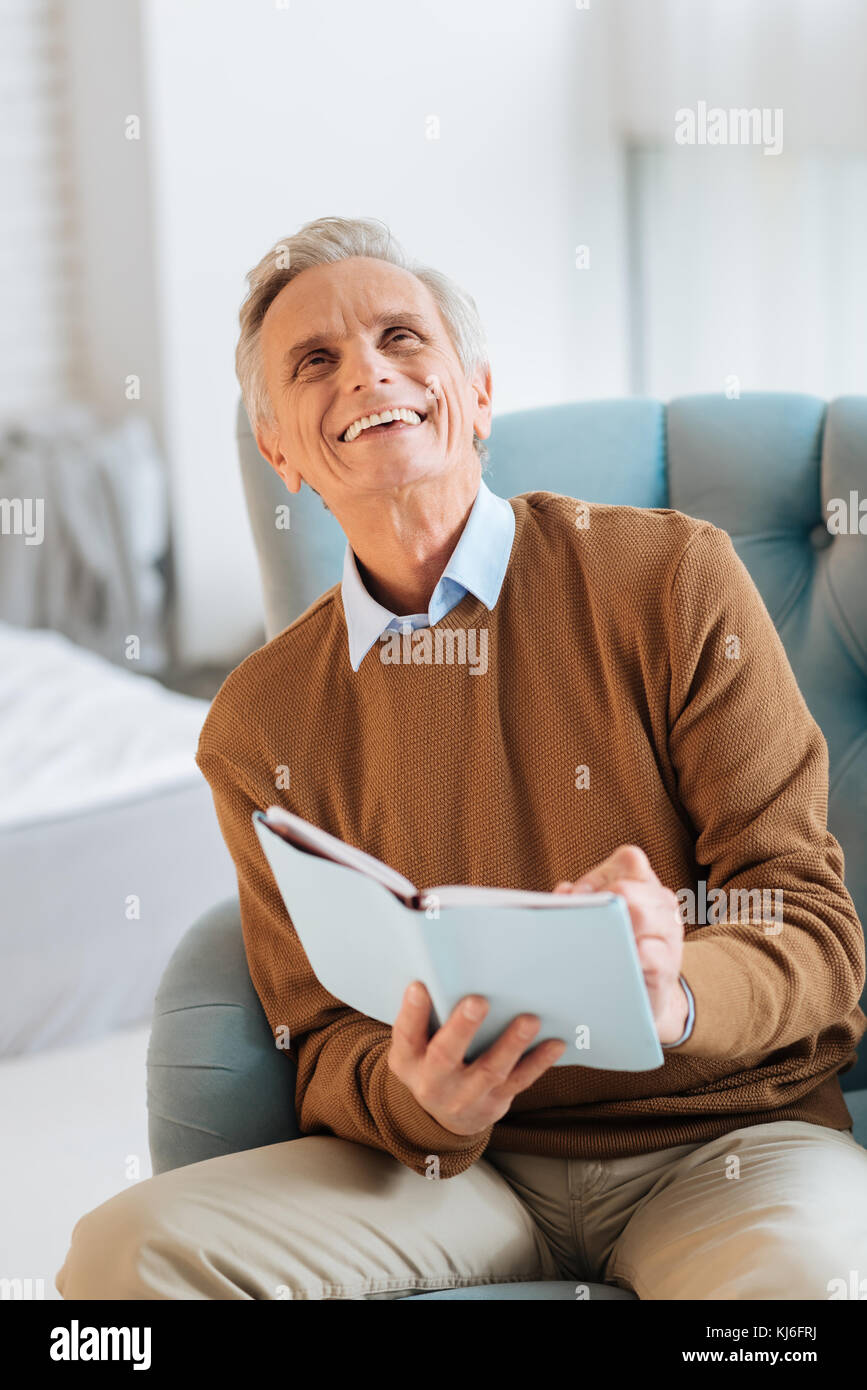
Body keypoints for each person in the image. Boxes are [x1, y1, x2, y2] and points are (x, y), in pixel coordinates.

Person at [57, 217, 867, 1300]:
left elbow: (811, 928)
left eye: (403, 337)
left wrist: (675, 990)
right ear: (280, 453)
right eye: (316, 362)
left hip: (726, 1143)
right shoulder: (256, 724)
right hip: (452, 1171)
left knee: (813, 1294)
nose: (369, 374)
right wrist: (419, 1099)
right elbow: (317, 1032)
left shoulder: (671, 579)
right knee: (123, 1258)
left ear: (477, 395)